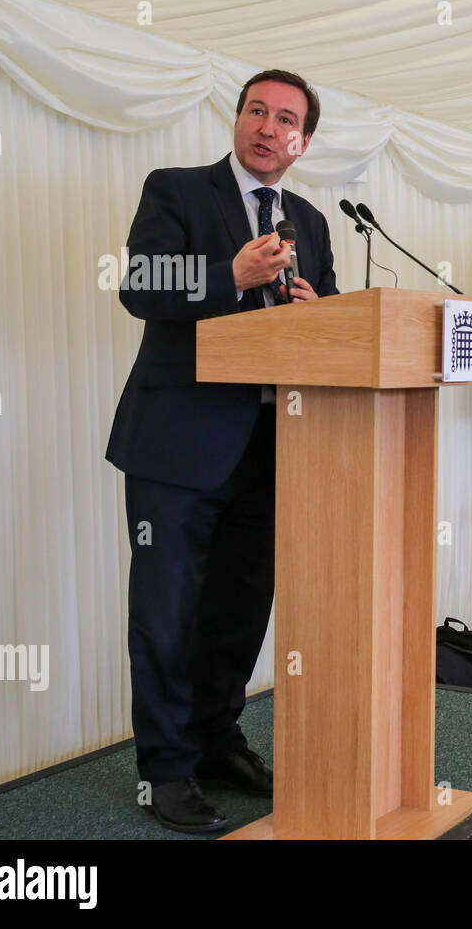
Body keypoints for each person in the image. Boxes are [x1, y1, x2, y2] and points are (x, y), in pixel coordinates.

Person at [105, 69, 338, 832]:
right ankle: (165, 771)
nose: (267, 127)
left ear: (303, 142)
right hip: (179, 445)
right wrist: (230, 276)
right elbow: (140, 284)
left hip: (275, 448)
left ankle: (214, 741)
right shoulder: (176, 189)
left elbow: (329, 327)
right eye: (256, 111)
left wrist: (319, 314)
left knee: (239, 612)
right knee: (167, 614)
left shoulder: (310, 217)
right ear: (238, 119)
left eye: (286, 120)